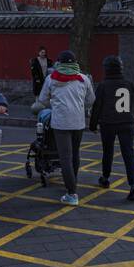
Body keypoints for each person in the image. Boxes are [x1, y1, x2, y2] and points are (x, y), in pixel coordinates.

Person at [36, 50, 95, 205]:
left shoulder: (51, 79)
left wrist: (55, 104)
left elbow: (42, 100)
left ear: (59, 63)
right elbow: (91, 100)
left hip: (60, 123)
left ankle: (72, 193)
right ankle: (72, 184)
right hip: (78, 122)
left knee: (65, 158)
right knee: (75, 155)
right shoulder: (83, 79)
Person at [89, 54, 134, 201]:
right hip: (127, 123)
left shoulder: (103, 86)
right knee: (128, 154)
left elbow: (96, 107)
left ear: (106, 69)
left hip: (108, 123)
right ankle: (133, 186)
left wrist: (92, 125)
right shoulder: (129, 84)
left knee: (108, 151)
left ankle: (105, 178)